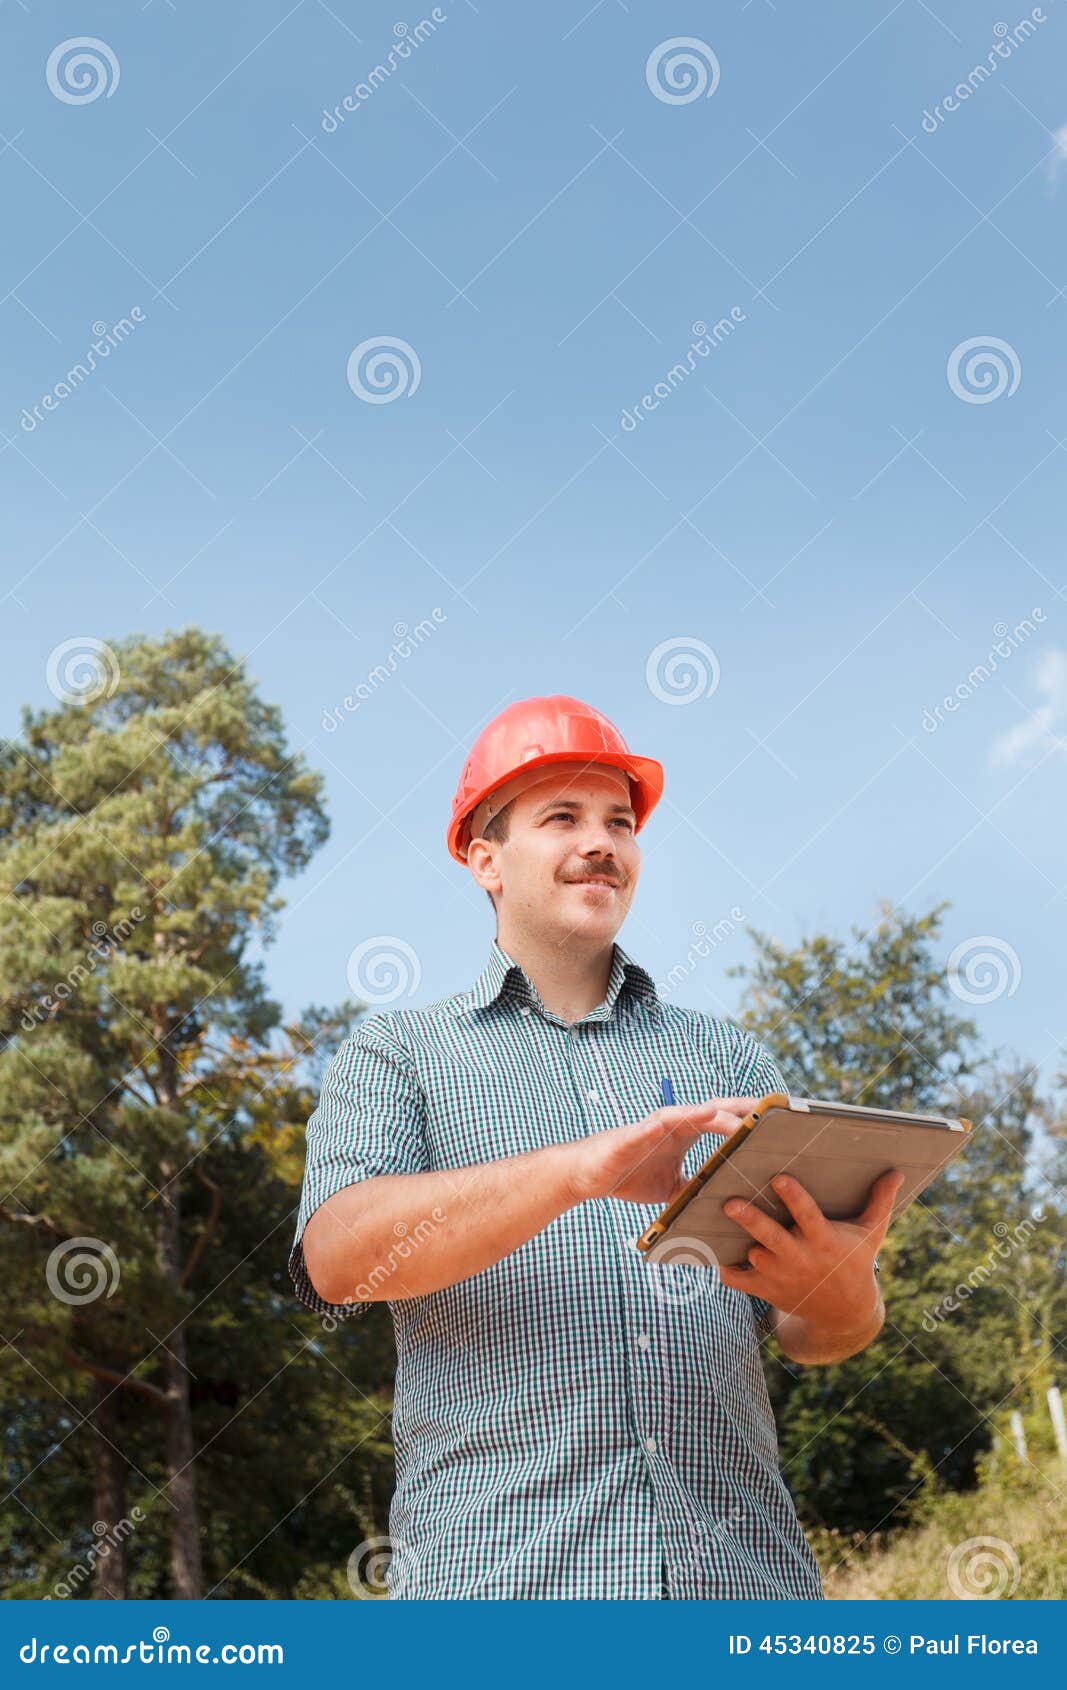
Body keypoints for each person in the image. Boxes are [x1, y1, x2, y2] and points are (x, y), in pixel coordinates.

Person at [289, 694, 902, 1600]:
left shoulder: (725, 1058)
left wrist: (842, 1288)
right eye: (562, 817)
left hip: (741, 1592)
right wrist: (577, 1173)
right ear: (482, 857)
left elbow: (817, 1333)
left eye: (620, 820)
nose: (602, 842)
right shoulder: (399, 1054)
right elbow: (338, 1258)